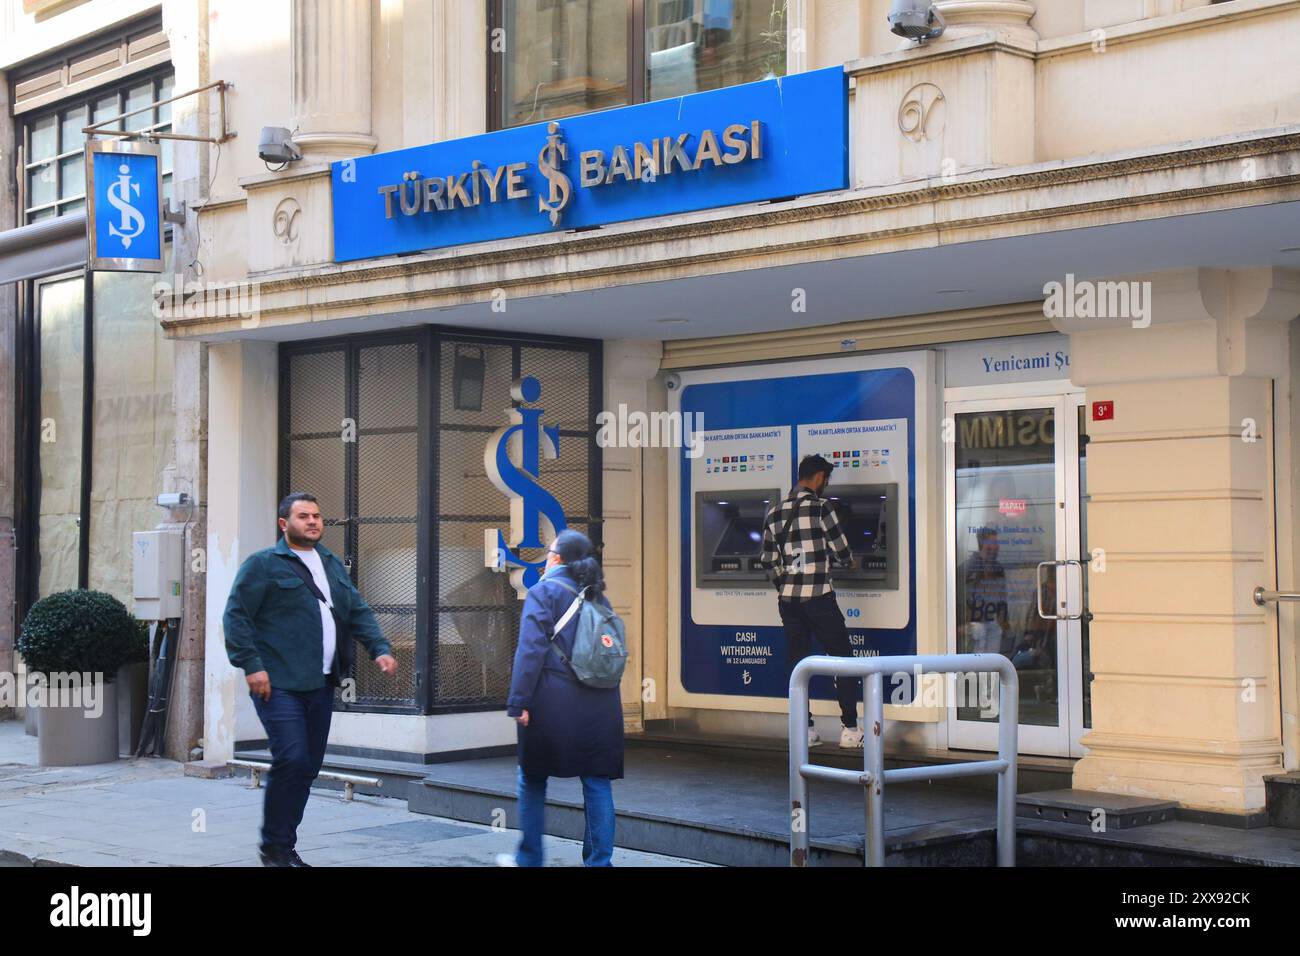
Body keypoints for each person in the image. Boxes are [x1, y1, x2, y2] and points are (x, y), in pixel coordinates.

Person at [223, 492, 397, 867]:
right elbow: (236, 617)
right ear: (284, 525)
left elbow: (357, 610)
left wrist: (379, 648)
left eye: (317, 515)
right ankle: (274, 847)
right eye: (304, 516)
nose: (313, 521)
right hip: (278, 682)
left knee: (307, 766)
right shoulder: (263, 565)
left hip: (320, 683)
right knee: (292, 756)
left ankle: (284, 844)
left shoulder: (331, 563)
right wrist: (252, 665)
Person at [498, 529, 623, 867]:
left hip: (553, 704)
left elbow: (530, 651)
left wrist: (518, 701)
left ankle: (529, 859)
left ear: (556, 558)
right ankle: (599, 862)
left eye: (550, 551)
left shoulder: (544, 592)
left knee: (533, 778)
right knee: (597, 782)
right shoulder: (599, 597)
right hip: (601, 704)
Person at [760, 454, 864, 749]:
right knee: (842, 660)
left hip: (789, 602)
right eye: (826, 480)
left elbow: (768, 561)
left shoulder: (775, 512)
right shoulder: (821, 508)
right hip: (819, 597)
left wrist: (787, 586)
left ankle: (804, 730)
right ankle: (850, 730)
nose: (825, 486)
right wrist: (850, 562)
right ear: (819, 477)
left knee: (799, 664)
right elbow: (841, 550)